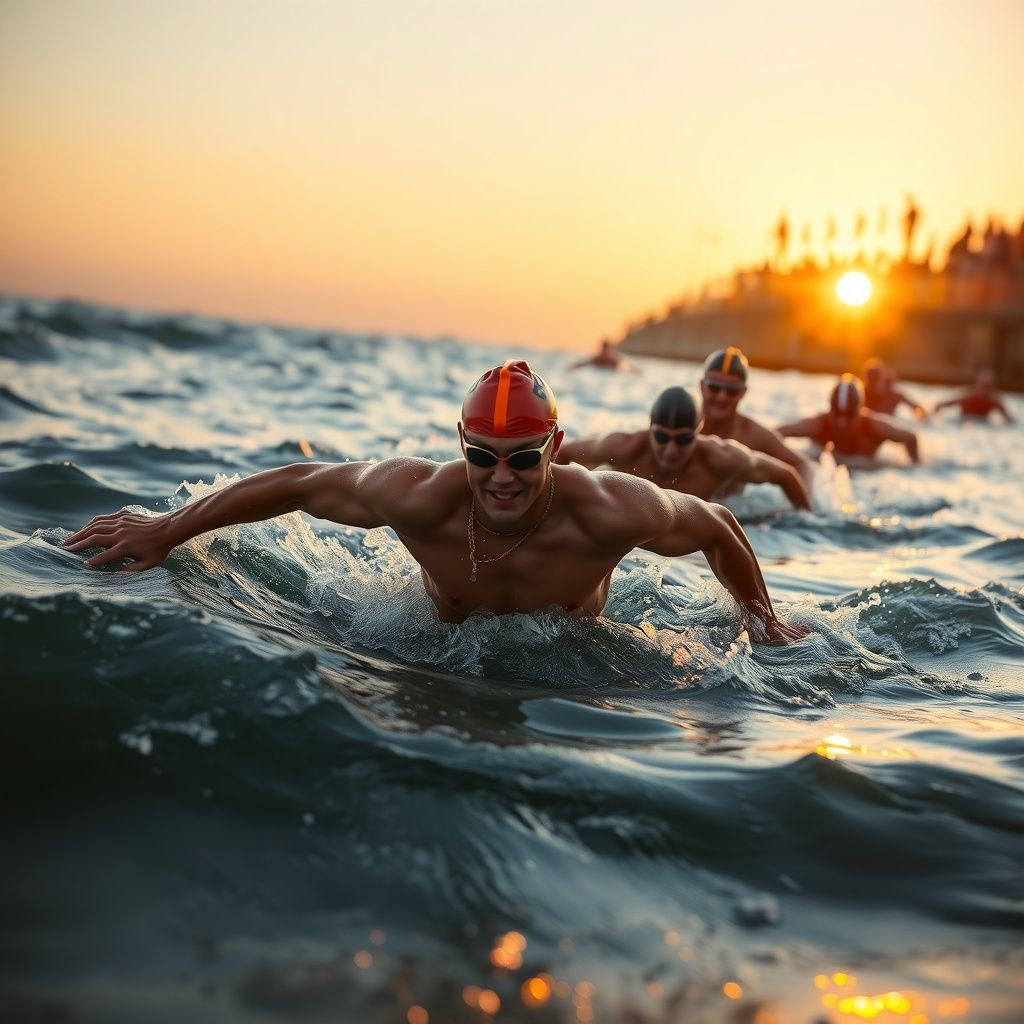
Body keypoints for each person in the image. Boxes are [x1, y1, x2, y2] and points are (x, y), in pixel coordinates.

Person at [64, 360, 807, 644]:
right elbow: (295, 483)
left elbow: (719, 524)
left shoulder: (611, 508)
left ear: (556, 446)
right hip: (438, 648)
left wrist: (763, 622)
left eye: (522, 457)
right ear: (459, 444)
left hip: (573, 664)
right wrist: (168, 530)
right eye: (481, 456)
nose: (501, 476)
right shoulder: (419, 496)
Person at [554, 385, 812, 510]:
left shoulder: (720, 457)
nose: (671, 450)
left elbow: (786, 474)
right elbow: (562, 453)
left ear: (698, 434)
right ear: (650, 430)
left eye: (682, 440)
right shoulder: (623, 447)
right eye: (662, 438)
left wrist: (806, 519)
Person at [698, 347, 813, 485]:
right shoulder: (681, 424)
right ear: (702, 386)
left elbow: (803, 466)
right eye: (714, 387)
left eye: (732, 390)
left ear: (743, 392)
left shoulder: (753, 435)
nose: (722, 397)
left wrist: (799, 504)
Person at [778, 373, 920, 463]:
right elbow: (779, 433)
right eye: (837, 413)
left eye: (849, 415)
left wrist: (914, 466)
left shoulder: (874, 426)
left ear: (860, 410)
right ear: (830, 408)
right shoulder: (818, 423)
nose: (842, 422)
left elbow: (911, 438)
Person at [933, 369, 1014, 423]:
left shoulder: (994, 401)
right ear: (978, 384)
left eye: (989, 386)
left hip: (982, 425)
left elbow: (1010, 420)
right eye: (984, 386)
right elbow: (941, 405)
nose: (985, 390)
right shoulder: (969, 396)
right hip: (962, 423)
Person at [861, 358, 926, 419]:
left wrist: (921, 416)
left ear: (883, 378)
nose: (874, 384)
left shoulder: (894, 396)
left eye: (876, 378)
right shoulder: (861, 395)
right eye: (871, 380)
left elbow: (917, 408)